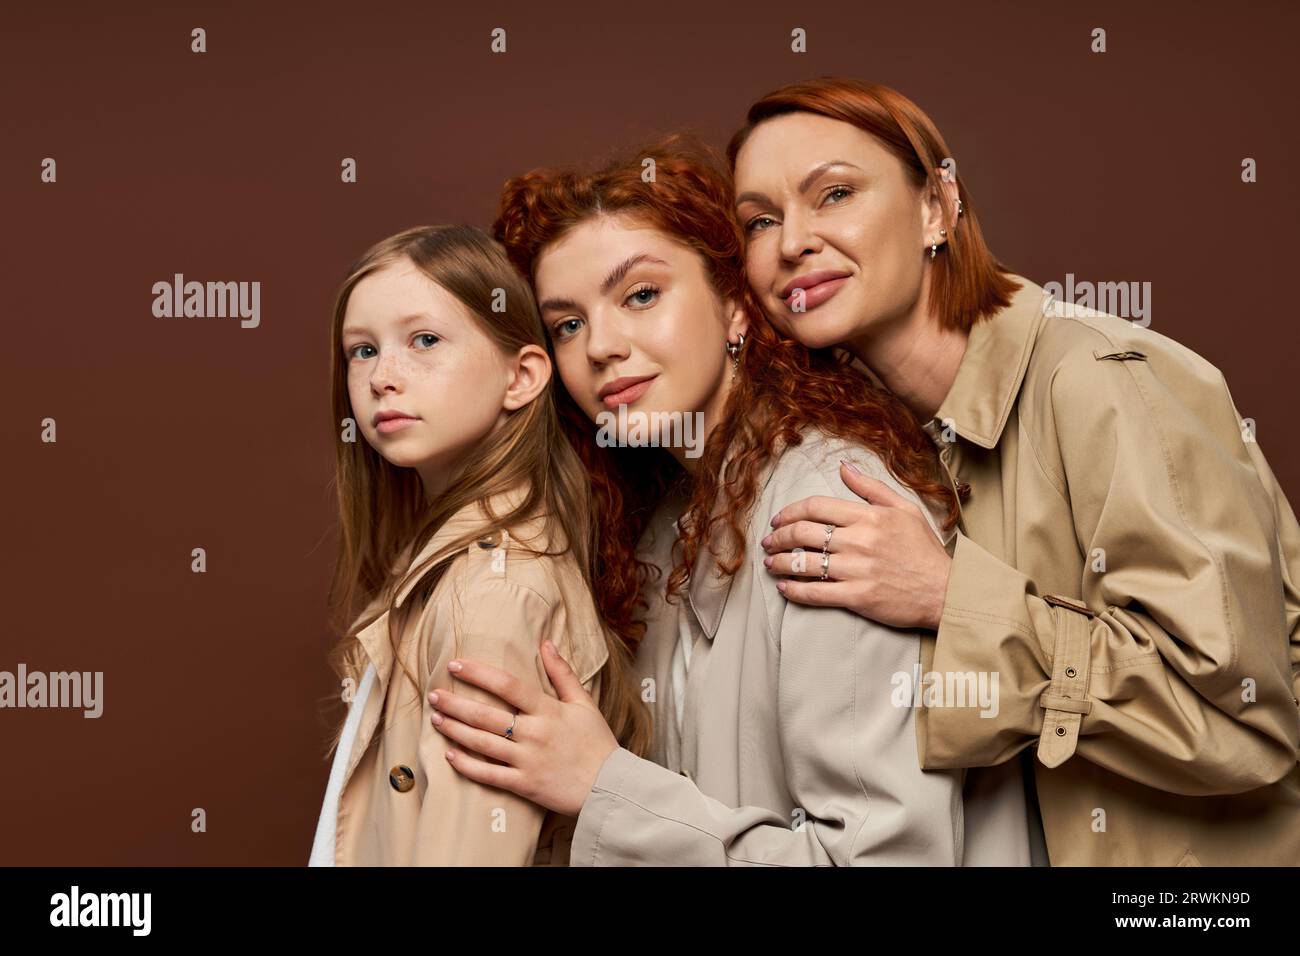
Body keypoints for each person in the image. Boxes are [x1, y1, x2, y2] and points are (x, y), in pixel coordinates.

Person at [728, 76, 1300, 865]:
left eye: (833, 194)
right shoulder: (881, 439)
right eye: (760, 219)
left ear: (937, 206)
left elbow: (1244, 721)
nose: (791, 241)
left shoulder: (1101, 376)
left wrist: (947, 594)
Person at [425, 135, 1038, 864]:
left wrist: (604, 789)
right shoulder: (660, 526)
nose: (602, 347)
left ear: (736, 309)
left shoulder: (825, 505)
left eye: (641, 295)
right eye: (568, 323)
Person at [307, 224, 649, 866]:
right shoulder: (451, 567)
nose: (384, 377)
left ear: (521, 377)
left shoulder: (490, 592)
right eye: (362, 351)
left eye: (425, 340)